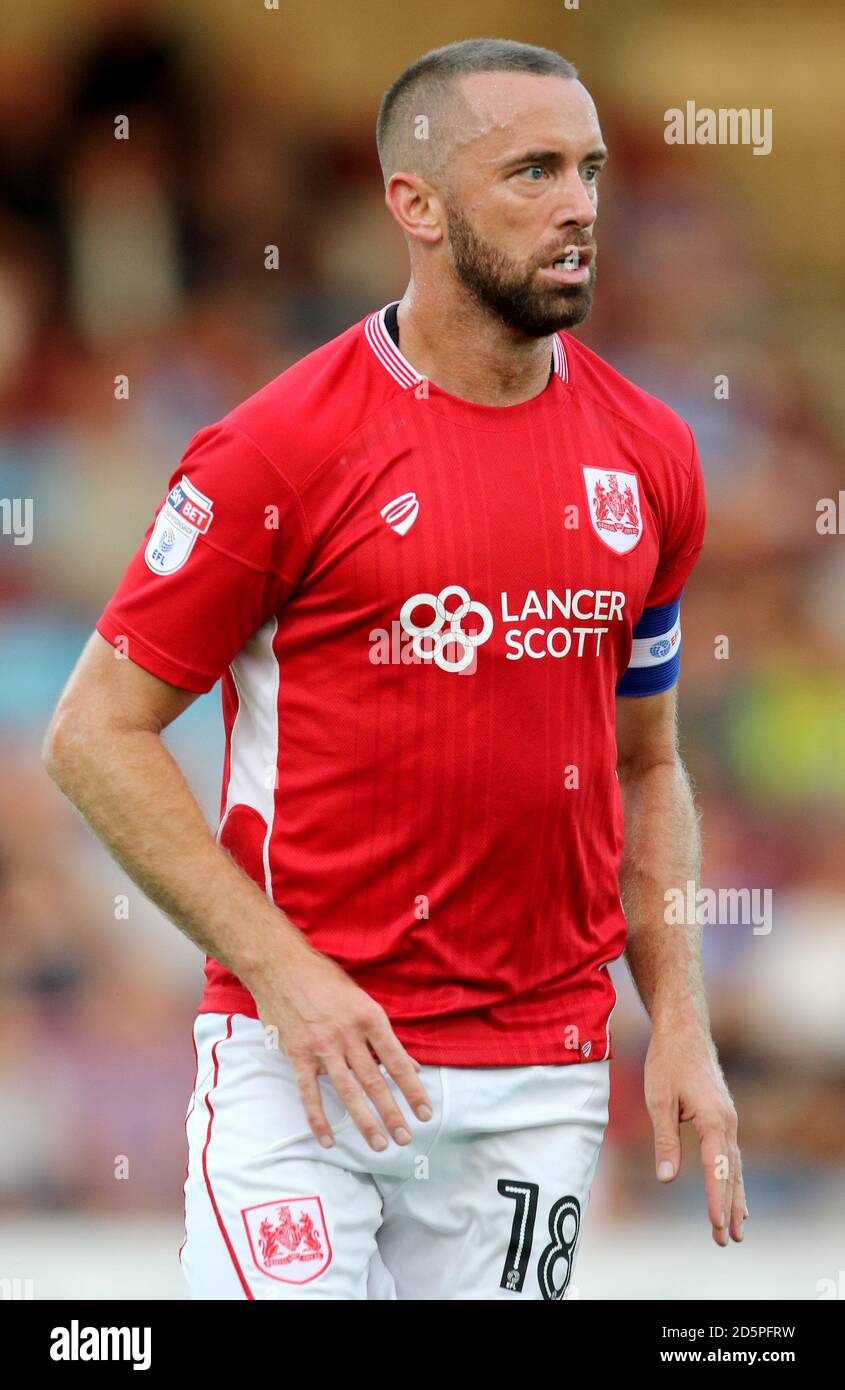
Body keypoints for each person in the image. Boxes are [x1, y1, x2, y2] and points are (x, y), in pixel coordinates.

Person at [43, 37, 746, 1300]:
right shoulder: (277, 451)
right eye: (531, 171)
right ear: (413, 205)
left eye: (588, 171)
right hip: (304, 1062)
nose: (579, 205)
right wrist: (284, 973)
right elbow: (94, 731)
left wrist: (679, 1025)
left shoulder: (649, 456)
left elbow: (646, 764)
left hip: (538, 1079)